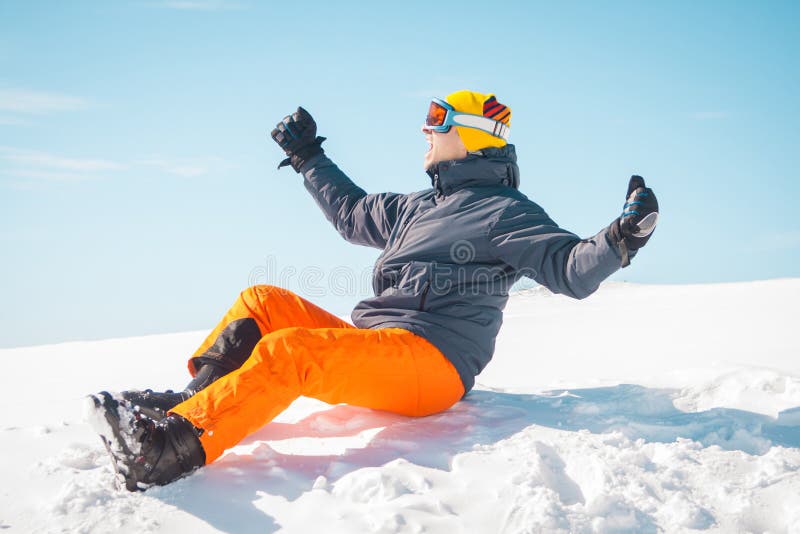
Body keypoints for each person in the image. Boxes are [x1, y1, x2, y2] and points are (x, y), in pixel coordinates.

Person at [88, 90, 659, 491]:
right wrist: (308, 157)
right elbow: (352, 212)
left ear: (467, 136)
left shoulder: (506, 211)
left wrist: (620, 239)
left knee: (291, 351)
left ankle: (166, 452)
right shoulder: (419, 206)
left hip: (432, 362)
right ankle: (192, 403)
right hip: (383, 343)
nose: (425, 130)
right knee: (263, 302)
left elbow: (569, 268)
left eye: (437, 120)